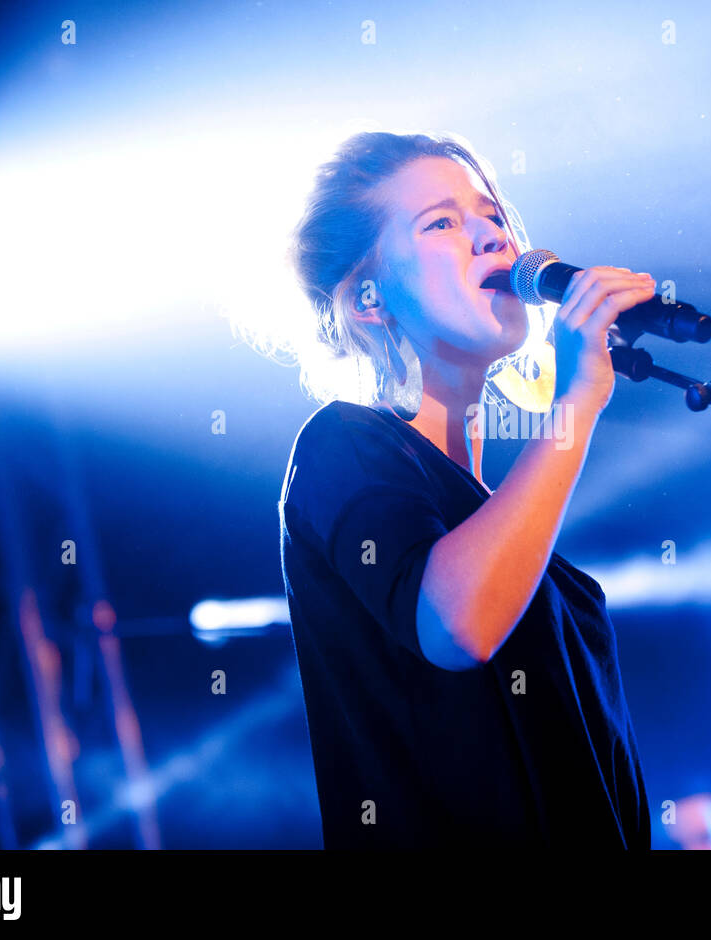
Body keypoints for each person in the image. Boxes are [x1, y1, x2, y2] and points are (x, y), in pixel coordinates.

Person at [272, 130, 657, 848]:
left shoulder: (500, 517)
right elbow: (457, 625)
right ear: (367, 298)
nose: (489, 237)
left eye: (492, 216)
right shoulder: (343, 448)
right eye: (442, 223)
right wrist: (577, 399)